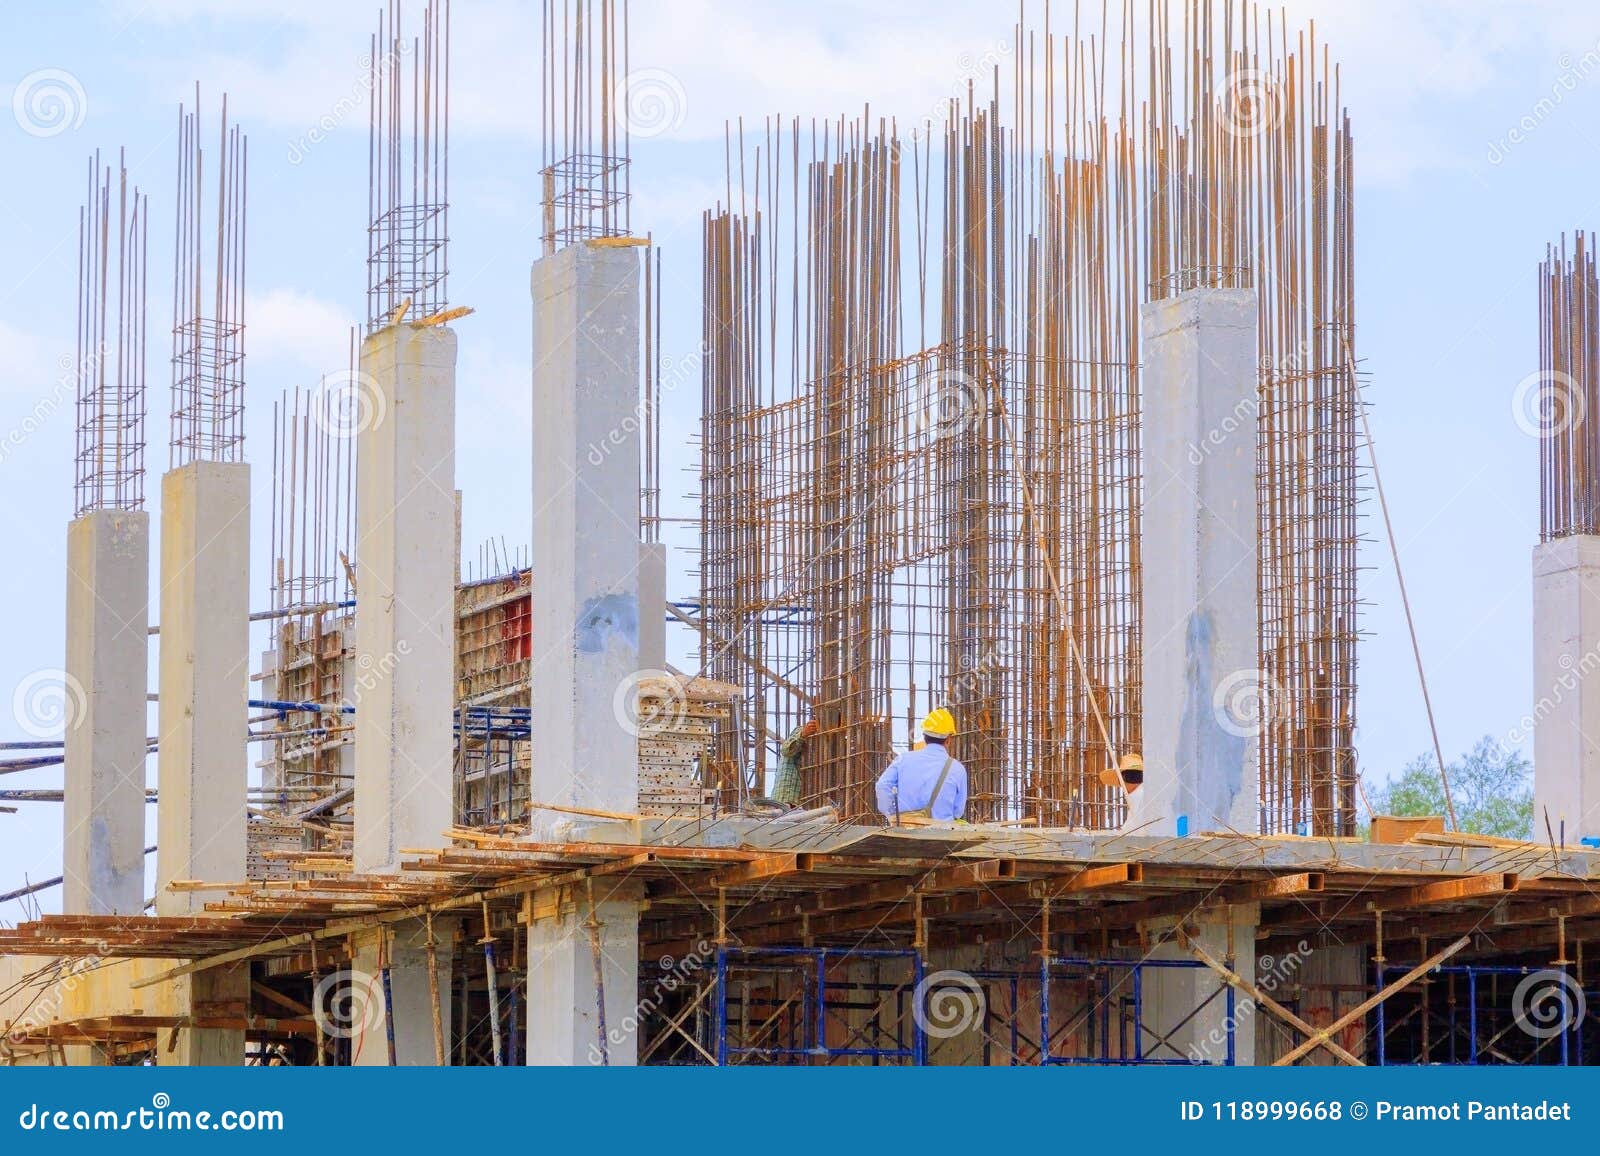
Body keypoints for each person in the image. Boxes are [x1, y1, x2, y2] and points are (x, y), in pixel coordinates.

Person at [875, 708, 967, 826]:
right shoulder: (957, 769)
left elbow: (882, 786)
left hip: (904, 832)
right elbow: (958, 811)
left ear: (924, 736)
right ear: (949, 739)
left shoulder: (903, 760)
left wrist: (892, 814)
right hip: (942, 833)